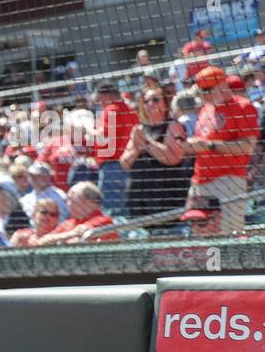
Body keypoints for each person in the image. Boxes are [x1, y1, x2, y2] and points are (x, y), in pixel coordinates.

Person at [186, 65, 258, 232]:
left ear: (222, 85)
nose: (203, 95)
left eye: (206, 90)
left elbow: (248, 146)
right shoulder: (205, 109)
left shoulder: (243, 106)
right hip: (200, 182)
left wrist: (210, 145)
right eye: (201, 91)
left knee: (227, 236)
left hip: (228, 182)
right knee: (200, 237)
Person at [119, 89, 190, 219]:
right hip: (140, 198)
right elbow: (124, 163)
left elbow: (173, 158)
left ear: (165, 103)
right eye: (146, 101)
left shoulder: (172, 126)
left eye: (155, 99)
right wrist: (136, 147)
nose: (150, 103)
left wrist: (146, 142)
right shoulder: (139, 129)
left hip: (167, 196)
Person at [92, 81, 139, 216]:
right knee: (126, 212)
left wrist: (87, 130)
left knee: (113, 213)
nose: (99, 101)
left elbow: (103, 139)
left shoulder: (111, 109)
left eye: (100, 97)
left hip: (113, 167)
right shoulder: (130, 110)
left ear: (106, 96)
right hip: (129, 164)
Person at [34, 181, 117, 245]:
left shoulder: (103, 221)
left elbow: (82, 236)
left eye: (71, 199)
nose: (67, 204)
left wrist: (59, 240)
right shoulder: (68, 223)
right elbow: (42, 241)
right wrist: (71, 234)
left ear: (89, 202)